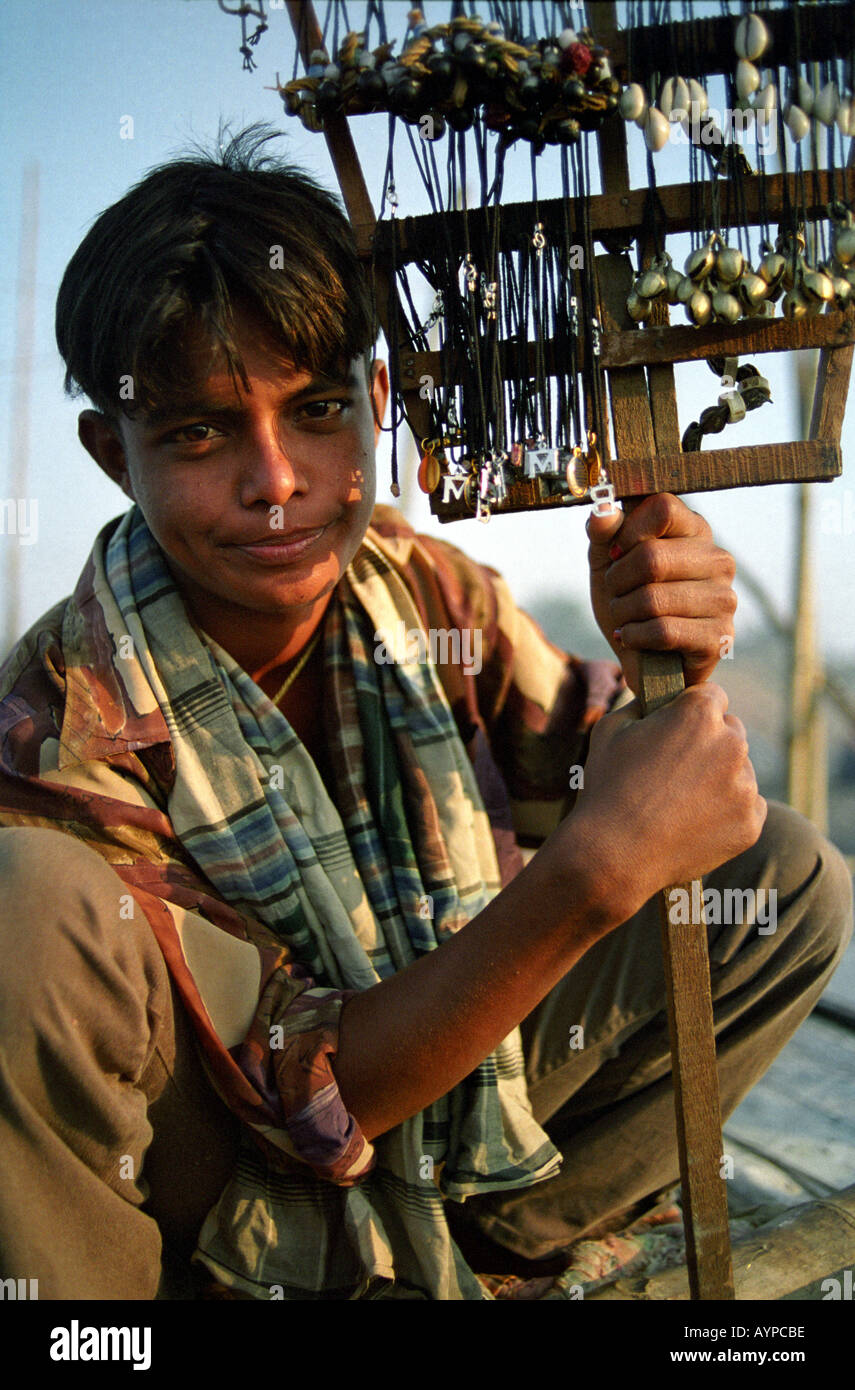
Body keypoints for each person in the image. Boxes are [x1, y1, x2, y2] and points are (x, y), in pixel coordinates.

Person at [0, 127, 850, 1301]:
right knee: (28, 911)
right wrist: (585, 881)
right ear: (115, 453)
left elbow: (625, 776)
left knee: (787, 877)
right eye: (198, 432)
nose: (276, 480)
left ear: (379, 398)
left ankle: (496, 1248)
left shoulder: (429, 596)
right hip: (214, 1189)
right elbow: (286, 1091)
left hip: (458, 1124)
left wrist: (666, 645)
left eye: (315, 411)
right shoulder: (59, 720)